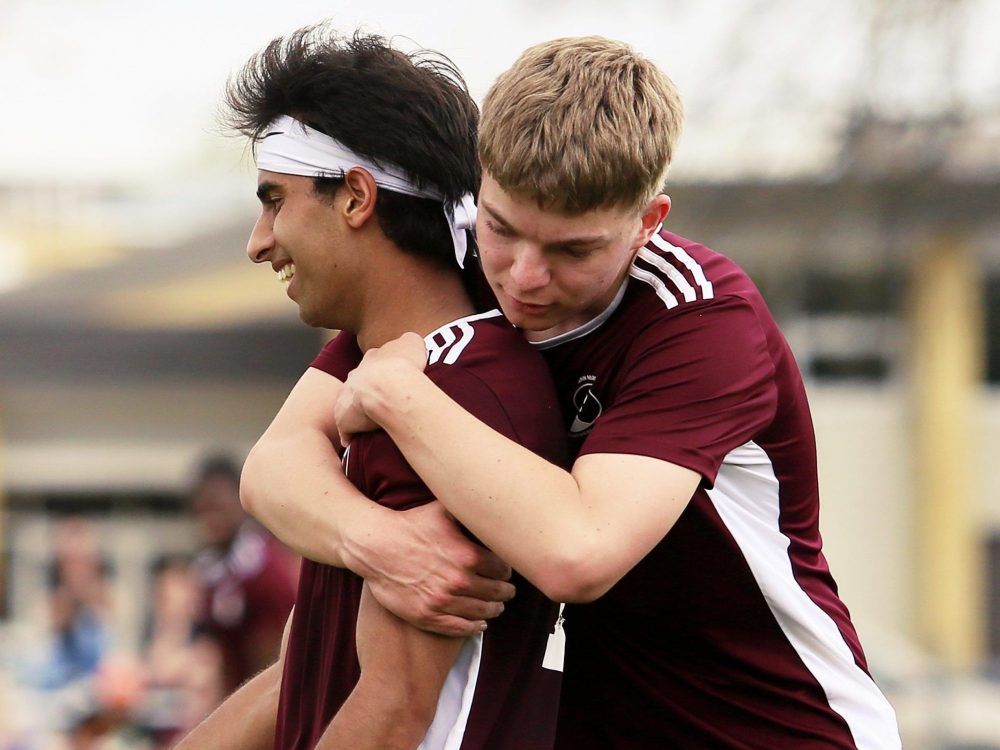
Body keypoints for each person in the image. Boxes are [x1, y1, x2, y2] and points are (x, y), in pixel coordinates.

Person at [243, 36, 903, 749]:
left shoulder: (701, 322)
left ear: (648, 222)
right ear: (482, 184)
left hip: (773, 734)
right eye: (503, 228)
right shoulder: (465, 271)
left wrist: (400, 396)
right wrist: (385, 543)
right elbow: (275, 463)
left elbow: (576, 554)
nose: (524, 277)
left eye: (573, 250)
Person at [176, 26, 564, 750]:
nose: (259, 241)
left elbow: (390, 714)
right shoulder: (375, 359)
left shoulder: (446, 396)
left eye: (274, 200)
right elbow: (300, 676)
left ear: (355, 197)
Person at [189, 455, 297, 694]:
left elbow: (272, 665)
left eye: (218, 505)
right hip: (236, 695)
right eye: (204, 507)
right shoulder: (211, 571)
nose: (210, 517)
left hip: (269, 699)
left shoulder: (263, 569)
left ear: (240, 503)